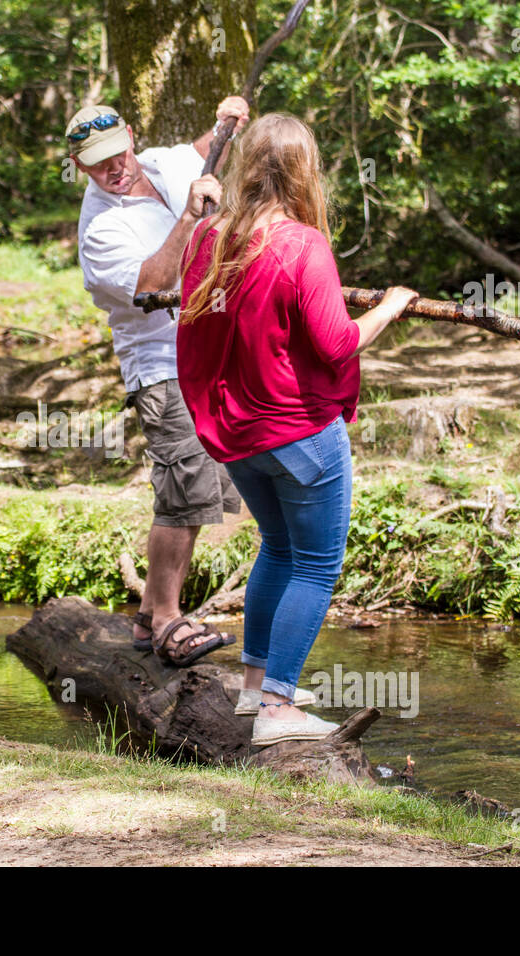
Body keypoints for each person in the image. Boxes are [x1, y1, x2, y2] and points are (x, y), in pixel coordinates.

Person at [176, 113, 418, 744]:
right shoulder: (301, 245)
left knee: (278, 549)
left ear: (244, 166)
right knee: (314, 563)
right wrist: (392, 307)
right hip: (299, 432)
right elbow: (337, 345)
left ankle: (256, 690)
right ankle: (279, 709)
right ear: (306, 170)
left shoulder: (208, 239)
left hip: (238, 436)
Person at [70, 99, 251, 666]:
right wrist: (190, 219)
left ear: (130, 134)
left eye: (117, 153)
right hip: (162, 368)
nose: (114, 169)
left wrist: (228, 119)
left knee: (199, 493)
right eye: (97, 164)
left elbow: (201, 151)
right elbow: (151, 285)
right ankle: (169, 618)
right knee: (181, 494)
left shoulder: (157, 161)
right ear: (79, 167)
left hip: (205, 355)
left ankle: (151, 616)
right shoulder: (101, 228)